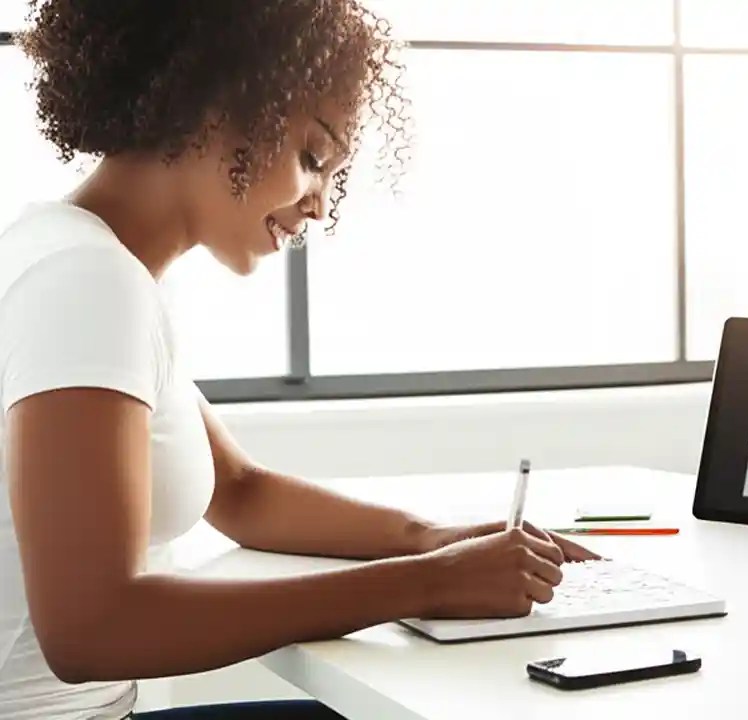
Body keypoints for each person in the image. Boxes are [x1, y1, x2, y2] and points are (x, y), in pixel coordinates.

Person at [0, 2, 597, 718]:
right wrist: (425, 584)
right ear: (213, 104)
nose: (318, 206)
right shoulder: (86, 283)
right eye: (313, 158)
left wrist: (427, 540)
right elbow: (91, 629)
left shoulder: (83, 259)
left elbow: (241, 492)